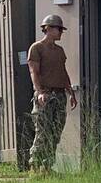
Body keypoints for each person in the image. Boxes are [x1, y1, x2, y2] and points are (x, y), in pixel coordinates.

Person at [28, 13, 77, 171]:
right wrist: (40, 91)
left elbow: (62, 71)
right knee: (43, 131)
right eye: (58, 29)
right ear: (47, 29)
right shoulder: (36, 48)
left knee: (55, 132)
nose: (61, 33)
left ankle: (47, 166)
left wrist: (70, 92)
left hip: (59, 94)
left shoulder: (59, 51)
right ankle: (35, 165)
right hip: (45, 95)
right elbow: (34, 72)